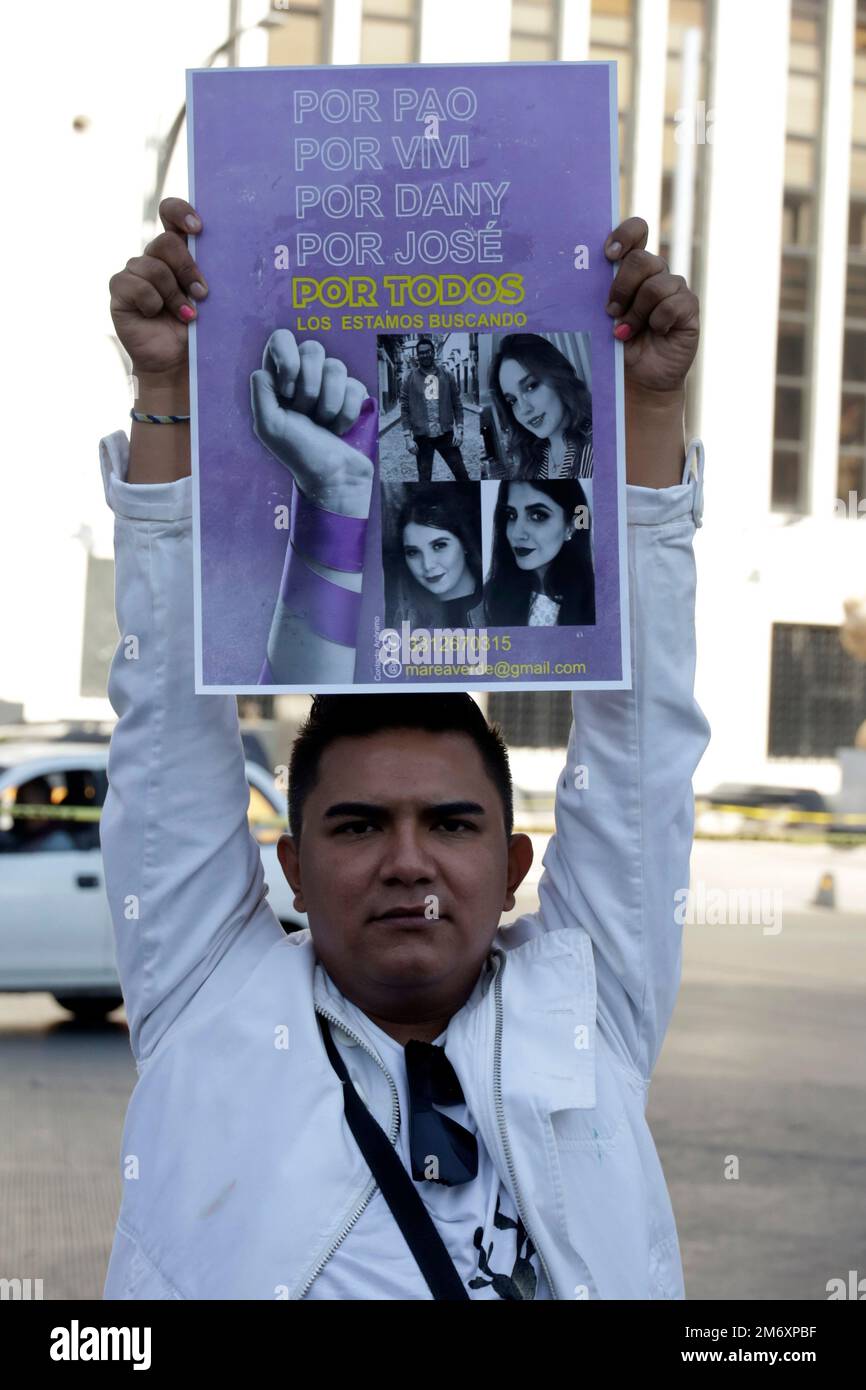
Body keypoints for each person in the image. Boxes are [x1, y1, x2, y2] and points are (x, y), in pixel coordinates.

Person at [102, 197, 706, 1300]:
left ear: (516, 864)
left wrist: (651, 411)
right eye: (357, 824)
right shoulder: (210, 1001)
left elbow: (643, 746)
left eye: (451, 822)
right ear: (288, 864)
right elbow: (162, 725)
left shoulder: (585, 1002)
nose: (408, 860)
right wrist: (166, 395)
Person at [484, 478, 595, 627]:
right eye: (511, 515)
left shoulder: (598, 601)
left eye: (537, 516)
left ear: (570, 527)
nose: (516, 533)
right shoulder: (490, 599)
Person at [489, 333, 593, 480]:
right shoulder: (532, 460)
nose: (524, 409)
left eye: (531, 386)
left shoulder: (597, 447)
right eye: (513, 401)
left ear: (559, 376)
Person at [384, 485, 485, 630]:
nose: (427, 565)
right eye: (413, 552)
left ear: (465, 543)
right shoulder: (402, 618)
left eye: (439, 546)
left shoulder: (497, 600)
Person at [400, 338, 471, 483]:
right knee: (424, 481)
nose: (425, 355)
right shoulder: (410, 378)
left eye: (427, 352)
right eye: (421, 353)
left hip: (446, 435)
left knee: (462, 476)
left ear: (433, 353)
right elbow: (404, 408)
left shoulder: (447, 375)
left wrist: (460, 429)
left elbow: (457, 404)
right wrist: (407, 438)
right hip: (422, 438)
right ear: (417, 356)